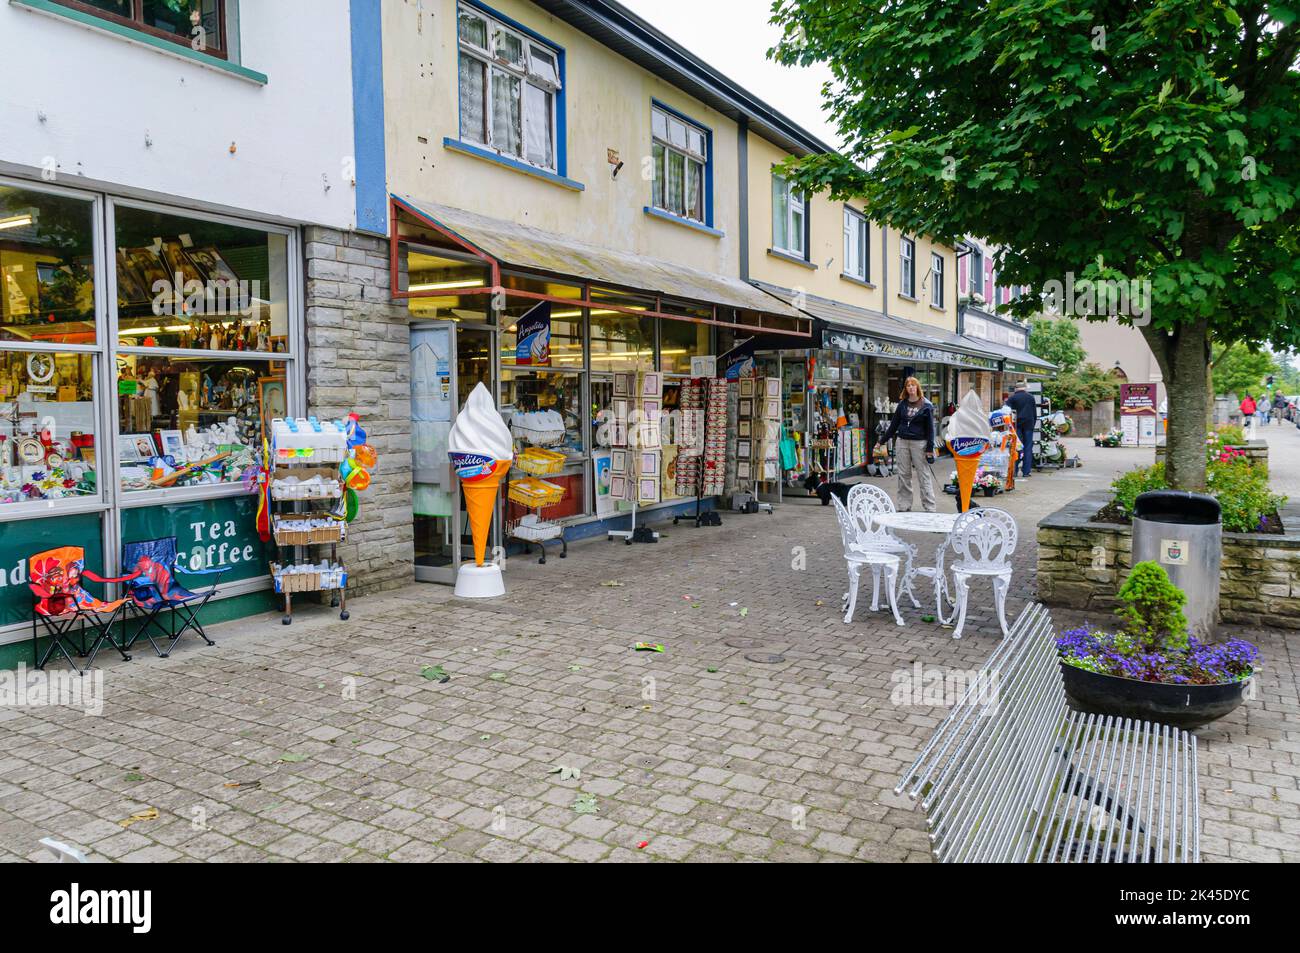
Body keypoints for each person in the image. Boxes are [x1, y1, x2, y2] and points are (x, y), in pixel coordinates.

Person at [881, 376, 937, 512]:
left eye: (913, 385)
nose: (911, 388)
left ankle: (930, 508)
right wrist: (881, 441)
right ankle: (904, 506)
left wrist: (930, 448)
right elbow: (893, 426)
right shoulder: (902, 404)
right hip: (902, 443)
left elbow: (931, 430)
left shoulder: (927, 405)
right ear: (905, 388)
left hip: (920, 444)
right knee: (903, 476)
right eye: (908, 385)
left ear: (917, 387)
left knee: (923, 476)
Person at [1006, 381, 1038, 478]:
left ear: (1016, 388)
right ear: (1025, 388)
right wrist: (1033, 424)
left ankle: (1014, 470)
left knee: (1016, 447)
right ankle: (1026, 471)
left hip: (1016, 425)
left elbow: (1007, 412)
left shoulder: (1012, 398)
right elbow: (1034, 413)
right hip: (1029, 424)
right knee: (1028, 447)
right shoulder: (1031, 397)